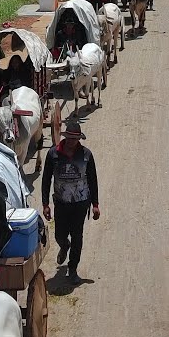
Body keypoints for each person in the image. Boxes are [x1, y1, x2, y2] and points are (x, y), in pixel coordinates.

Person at [41, 120, 100, 283]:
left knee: (77, 236)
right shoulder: (53, 154)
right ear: (65, 137)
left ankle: (73, 269)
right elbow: (46, 180)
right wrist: (45, 204)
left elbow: (93, 180)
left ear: (79, 139)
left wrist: (95, 205)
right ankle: (64, 246)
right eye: (70, 138)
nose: (72, 142)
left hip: (81, 203)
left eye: (75, 139)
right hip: (61, 202)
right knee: (60, 234)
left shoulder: (86, 155)